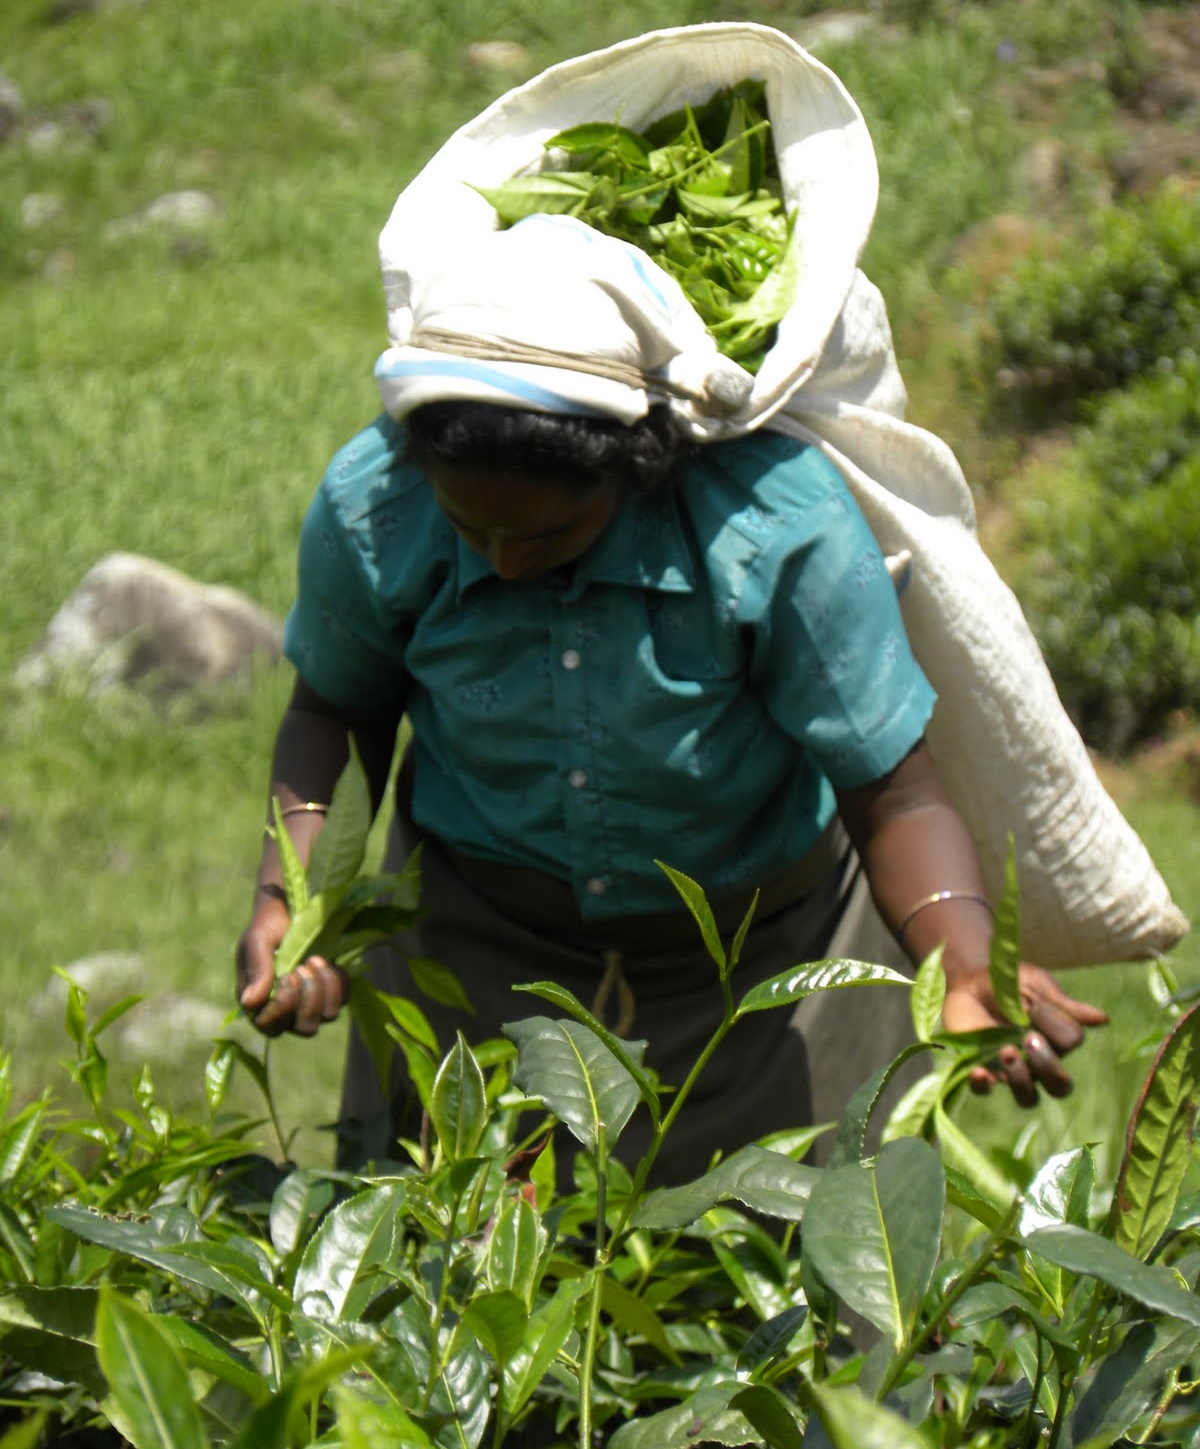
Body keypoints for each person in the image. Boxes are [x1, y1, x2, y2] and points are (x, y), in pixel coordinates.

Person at [235, 214, 1107, 1182]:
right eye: (469, 525)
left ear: (638, 470)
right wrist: (294, 900)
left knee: (779, 1285)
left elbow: (892, 790)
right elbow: (334, 712)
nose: (506, 558)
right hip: (477, 946)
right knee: (471, 1273)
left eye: (551, 531)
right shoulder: (379, 506)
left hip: (769, 968)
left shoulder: (769, 525)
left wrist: (964, 961)